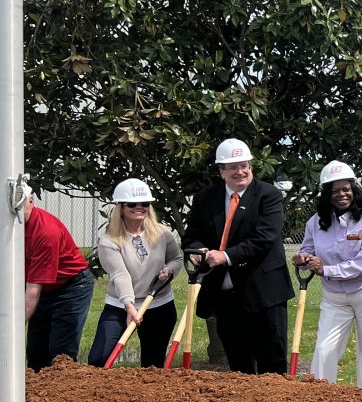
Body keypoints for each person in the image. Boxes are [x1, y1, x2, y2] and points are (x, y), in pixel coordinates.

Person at [181, 138, 294, 374]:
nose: (240, 172)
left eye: (244, 165)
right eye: (232, 167)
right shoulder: (205, 198)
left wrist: (226, 256)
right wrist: (198, 251)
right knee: (238, 363)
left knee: (271, 363)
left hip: (264, 292)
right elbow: (191, 236)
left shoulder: (268, 195)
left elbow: (264, 237)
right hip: (226, 295)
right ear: (221, 171)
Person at [293, 161, 362, 387]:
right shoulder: (316, 222)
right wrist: (303, 259)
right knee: (324, 349)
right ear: (326, 194)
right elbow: (308, 248)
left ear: (355, 190)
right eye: (335, 191)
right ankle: (321, 396)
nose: (341, 195)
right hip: (334, 296)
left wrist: (326, 269)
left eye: (346, 189)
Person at [88, 179, 182, 368]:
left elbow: (176, 259)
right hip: (121, 305)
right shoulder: (109, 241)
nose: (139, 207)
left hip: (158, 304)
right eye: (132, 204)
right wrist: (129, 306)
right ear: (120, 207)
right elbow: (120, 275)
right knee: (99, 359)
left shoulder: (163, 233)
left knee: (152, 364)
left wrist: (169, 270)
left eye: (145, 204)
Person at [22, 184, 96, 370]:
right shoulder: (10, 227)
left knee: (60, 356)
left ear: (31, 201)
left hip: (70, 288)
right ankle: (34, 398)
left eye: (18, 206)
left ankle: (65, 397)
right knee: (36, 353)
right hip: (43, 288)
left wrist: (11, 330)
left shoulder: (46, 233)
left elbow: (32, 289)